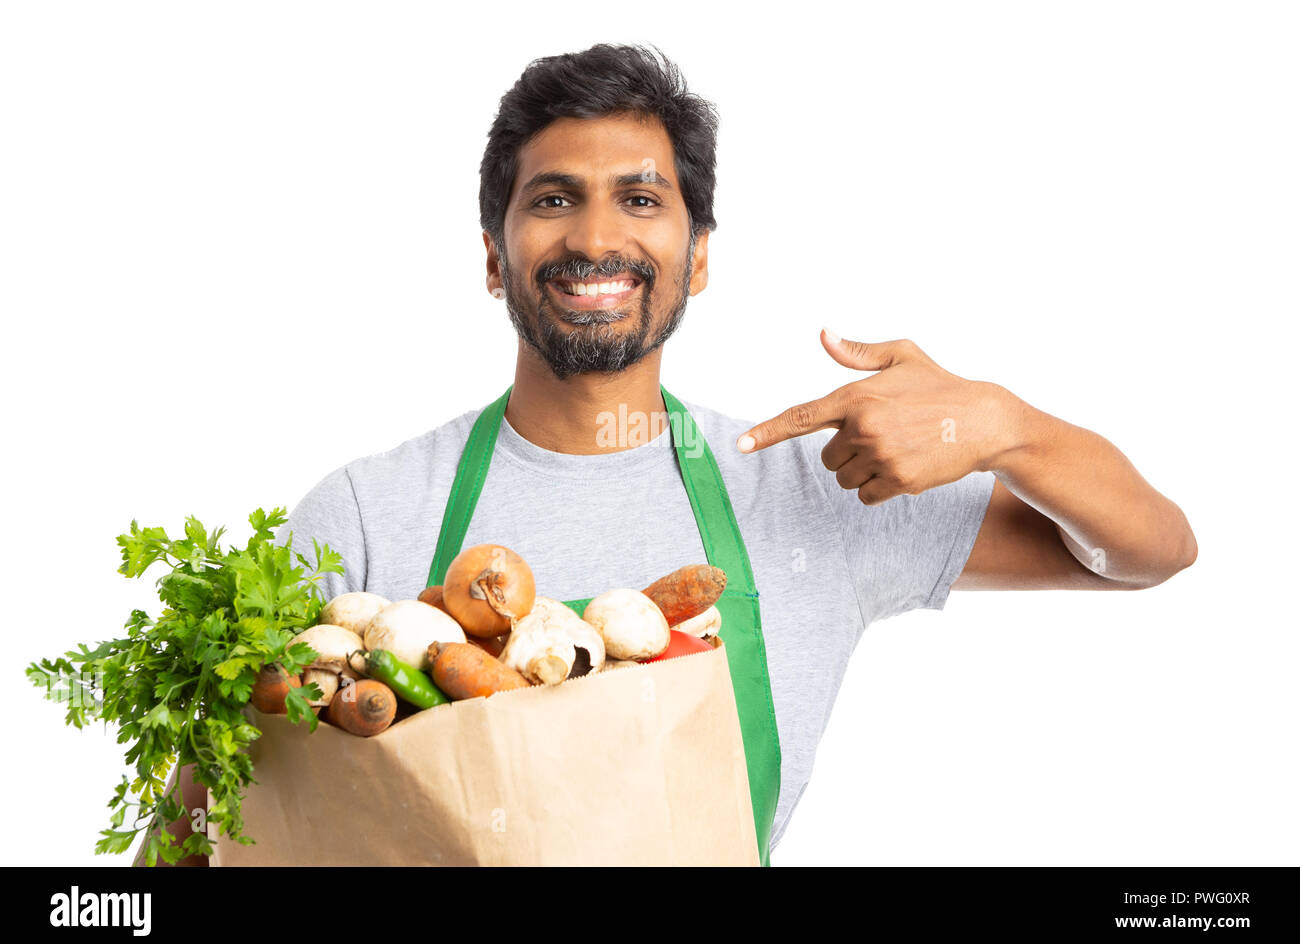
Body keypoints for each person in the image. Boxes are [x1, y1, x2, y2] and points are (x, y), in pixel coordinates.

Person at [143, 42, 1196, 867]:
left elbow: (1148, 550)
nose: (595, 236)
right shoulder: (367, 512)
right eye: (550, 198)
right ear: (491, 257)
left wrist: (999, 424)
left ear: (697, 257)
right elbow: (203, 823)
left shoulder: (811, 489)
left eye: (640, 198)